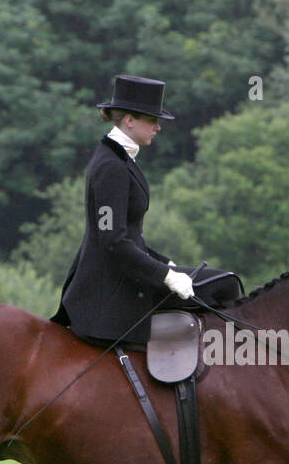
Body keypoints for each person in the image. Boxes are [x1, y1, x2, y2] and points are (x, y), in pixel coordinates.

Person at [52, 74, 240, 346]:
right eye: (152, 120)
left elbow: (128, 235)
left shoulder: (120, 158)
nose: (158, 128)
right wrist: (164, 275)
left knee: (225, 281)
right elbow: (112, 241)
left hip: (128, 271)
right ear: (129, 120)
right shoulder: (111, 167)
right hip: (113, 287)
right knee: (224, 286)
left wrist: (162, 261)